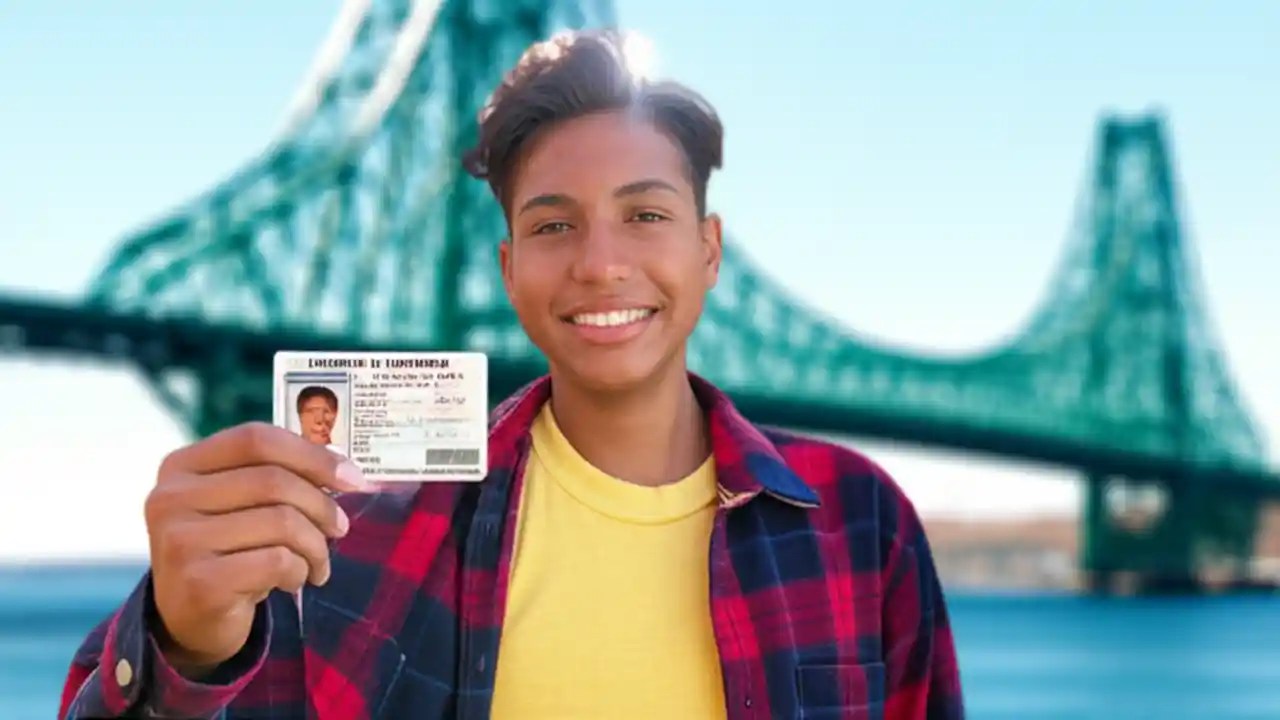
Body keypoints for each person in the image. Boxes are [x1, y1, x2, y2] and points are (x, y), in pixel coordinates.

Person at [59, 29, 964, 720]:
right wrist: (188, 641)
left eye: (645, 214)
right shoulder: (353, 529)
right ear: (507, 270)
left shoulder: (859, 520)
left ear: (709, 248)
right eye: (553, 225)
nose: (602, 265)